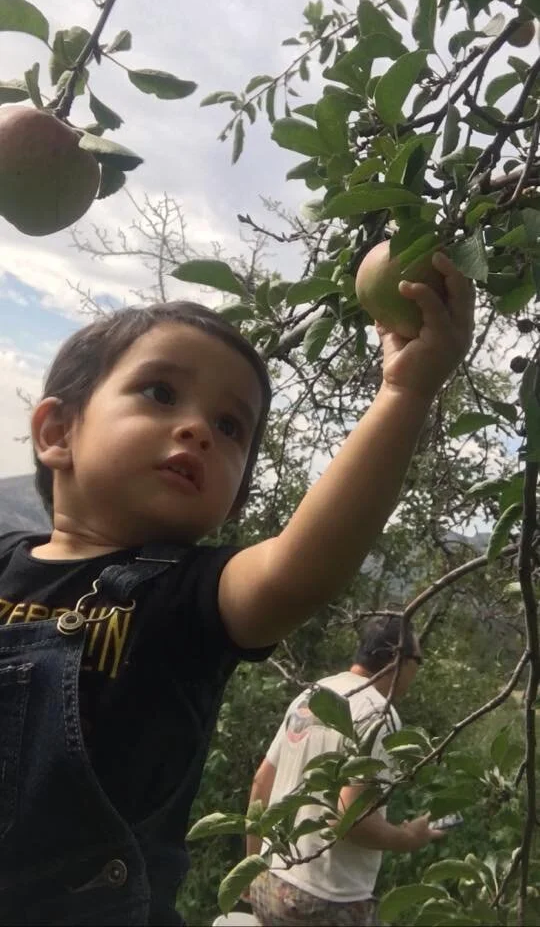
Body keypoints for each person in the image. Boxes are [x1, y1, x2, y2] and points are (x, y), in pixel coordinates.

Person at [0, 252, 473, 925]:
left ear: (235, 498)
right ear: (57, 432)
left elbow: (298, 569)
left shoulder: (191, 595)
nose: (196, 427)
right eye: (160, 393)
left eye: (230, 428)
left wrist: (406, 393)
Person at [247, 617, 443, 926]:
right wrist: (408, 837)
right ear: (398, 659)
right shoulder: (378, 713)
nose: (416, 671)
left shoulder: (313, 694)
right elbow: (348, 820)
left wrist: (252, 871)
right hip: (324, 902)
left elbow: (261, 784)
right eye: (418, 660)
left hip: (269, 887)